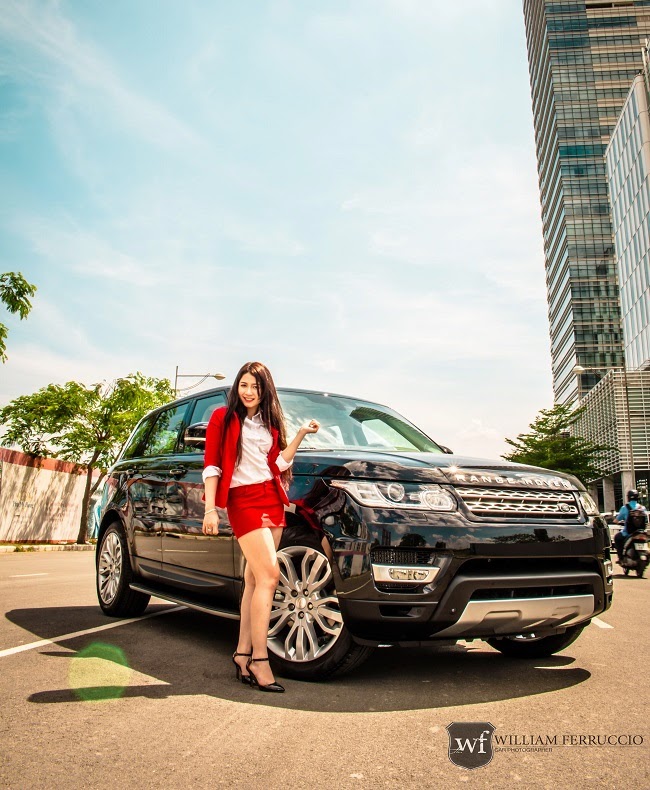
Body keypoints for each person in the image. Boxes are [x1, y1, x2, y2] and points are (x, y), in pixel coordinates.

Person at [202, 361, 319, 693]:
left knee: (254, 579)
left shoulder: (270, 424)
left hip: (271, 499)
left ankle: (241, 654)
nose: (248, 392)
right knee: (270, 575)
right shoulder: (222, 419)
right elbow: (211, 465)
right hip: (242, 501)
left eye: (255, 386)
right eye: (243, 385)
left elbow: (279, 464)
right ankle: (260, 658)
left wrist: (299, 435)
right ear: (236, 387)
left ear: (265, 390)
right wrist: (211, 509)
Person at [614, 489, 648, 563]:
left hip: (628, 533)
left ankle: (621, 558)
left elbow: (616, 520)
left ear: (628, 497)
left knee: (617, 538)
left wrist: (619, 522)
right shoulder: (642, 508)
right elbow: (646, 520)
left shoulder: (624, 508)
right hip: (641, 532)